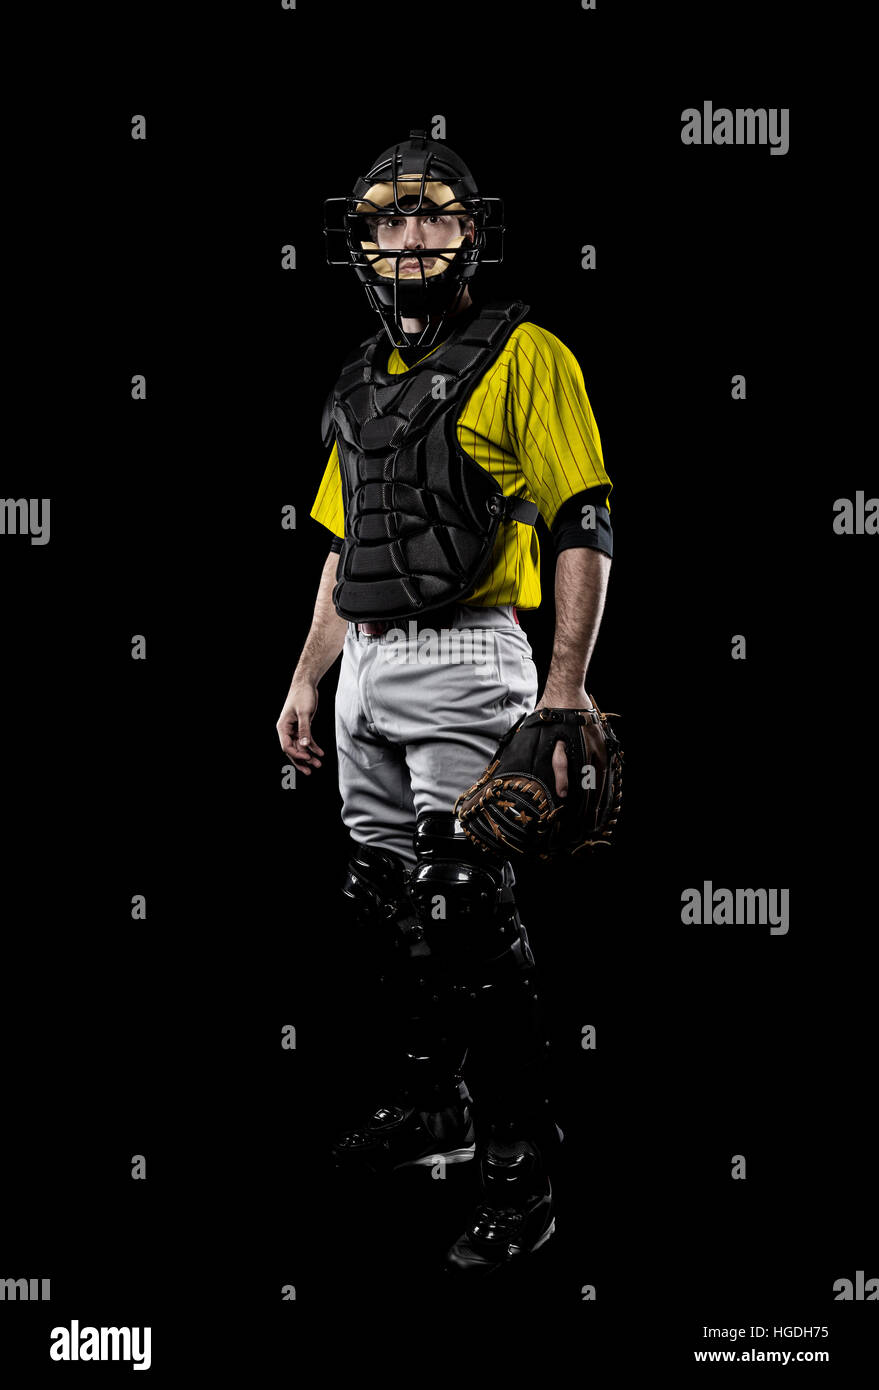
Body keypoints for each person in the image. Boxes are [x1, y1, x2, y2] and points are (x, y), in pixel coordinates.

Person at [276, 130, 614, 1275]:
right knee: (382, 901)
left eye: (432, 214)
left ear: (472, 230)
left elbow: (583, 518)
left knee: (464, 898)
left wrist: (563, 691)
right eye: (386, 216)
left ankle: (522, 1166)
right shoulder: (358, 384)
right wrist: (306, 680)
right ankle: (436, 1110)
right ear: (360, 239)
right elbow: (349, 546)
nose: (408, 235)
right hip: (366, 662)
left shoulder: (524, 353)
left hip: (473, 651)